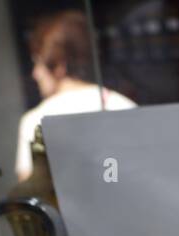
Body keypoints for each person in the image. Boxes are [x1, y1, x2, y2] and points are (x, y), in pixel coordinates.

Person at [15, 10, 135, 181]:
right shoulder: (122, 105)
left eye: (38, 63)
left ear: (58, 65)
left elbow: (30, 196)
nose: (35, 74)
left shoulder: (35, 121)